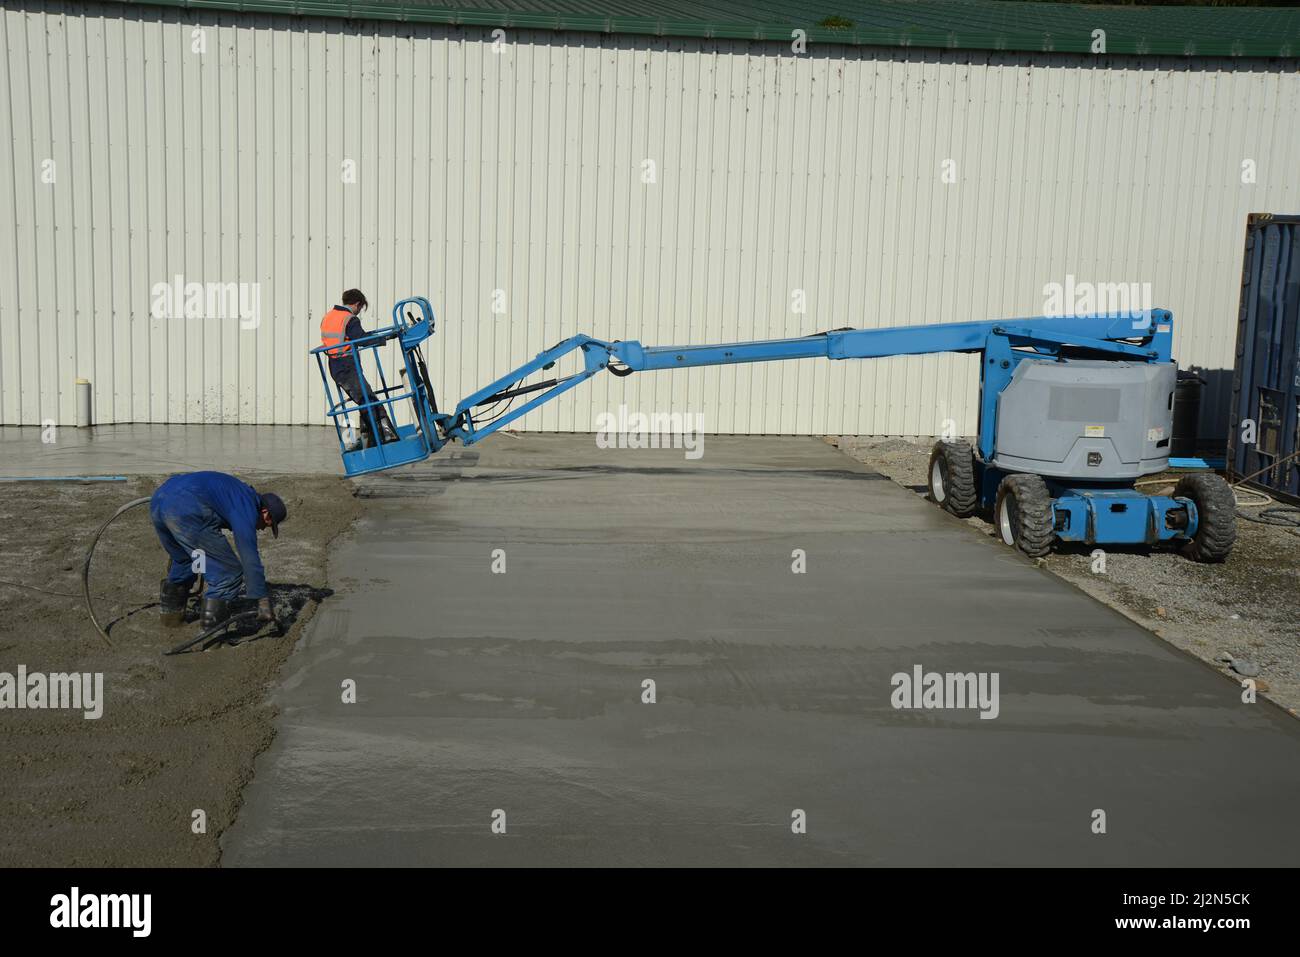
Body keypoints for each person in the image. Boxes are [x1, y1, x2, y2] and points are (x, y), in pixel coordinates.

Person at [150, 471, 287, 629]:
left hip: (160, 500)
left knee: (187, 560)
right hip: (186, 508)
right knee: (229, 575)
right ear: (266, 514)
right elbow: (249, 556)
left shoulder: (237, 493)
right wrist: (262, 599)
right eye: (267, 525)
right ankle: (213, 638)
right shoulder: (246, 504)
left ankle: (171, 619)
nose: (262, 529)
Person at [320, 289, 398, 448]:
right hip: (347, 365)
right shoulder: (349, 319)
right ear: (357, 304)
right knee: (367, 399)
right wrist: (386, 338)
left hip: (335, 366)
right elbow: (361, 338)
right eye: (360, 308)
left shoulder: (329, 316)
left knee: (363, 398)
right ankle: (386, 435)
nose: (359, 311)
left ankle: (371, 435)